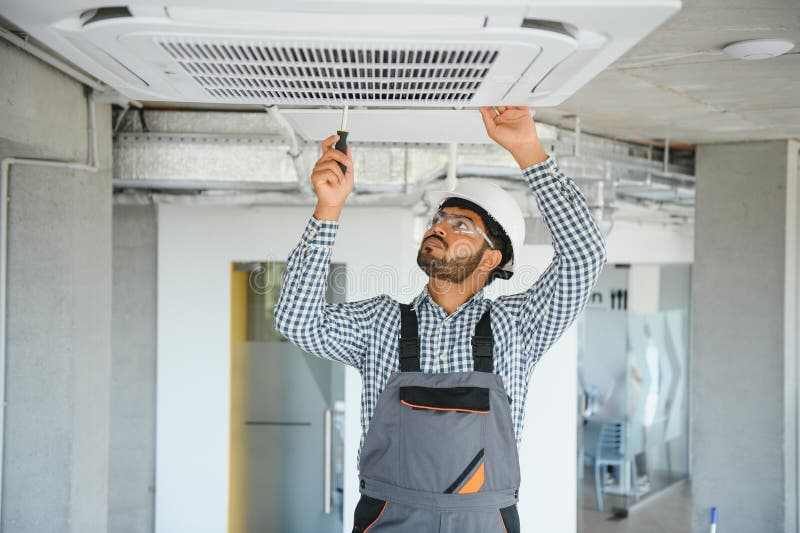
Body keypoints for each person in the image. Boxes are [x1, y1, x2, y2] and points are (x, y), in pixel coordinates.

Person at [274, 106, 607, 532]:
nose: (440, 227)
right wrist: (328, 209)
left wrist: (529, 152)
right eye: (438, 219)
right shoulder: (380, 323)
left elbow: (585, 255)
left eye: (460, 224)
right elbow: (295, 321)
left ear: (492, 258)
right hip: (389, 518)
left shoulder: (519, 325)